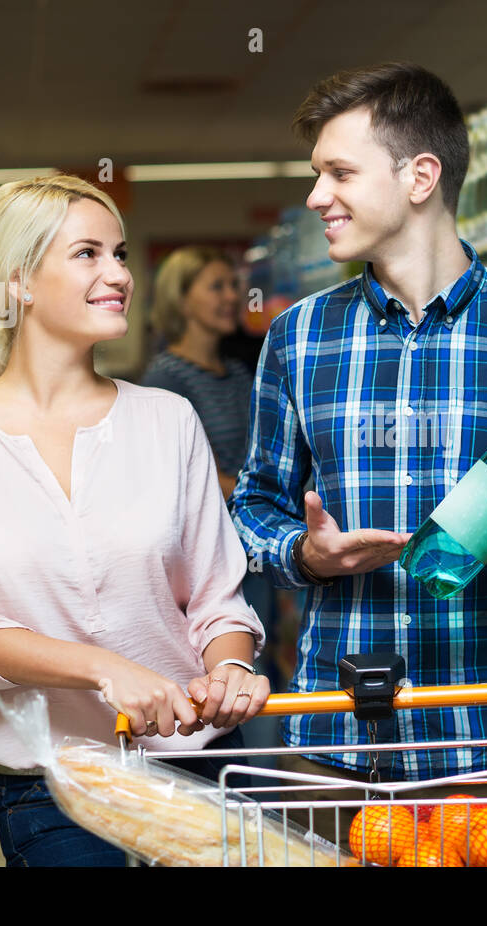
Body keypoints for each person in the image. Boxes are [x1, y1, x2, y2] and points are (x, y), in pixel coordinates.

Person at [230, 63, 487, 843]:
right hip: (339, 742)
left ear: (420, 177)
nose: (316, 197)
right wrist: (305, 555)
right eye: (317, 175)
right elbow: (251, 512)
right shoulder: (297, 338)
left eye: (339, 172)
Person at [0, 175, 268, 866]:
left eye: (120, 254)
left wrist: (232, 670)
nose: (119, 273)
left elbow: (218, 599)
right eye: (88, 254)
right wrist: (102, 669)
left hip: (197, 766)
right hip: (52, 780)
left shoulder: (165, 420)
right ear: (19, 283)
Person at [140, 248, 275, 644]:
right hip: (207, 557)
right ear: (181, 300)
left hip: (252, 543)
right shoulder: (165, 380)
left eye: (234, 285)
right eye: (217, 287)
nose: (233, 297)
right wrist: (268, 500)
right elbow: (192, 475)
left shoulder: (237, 373)